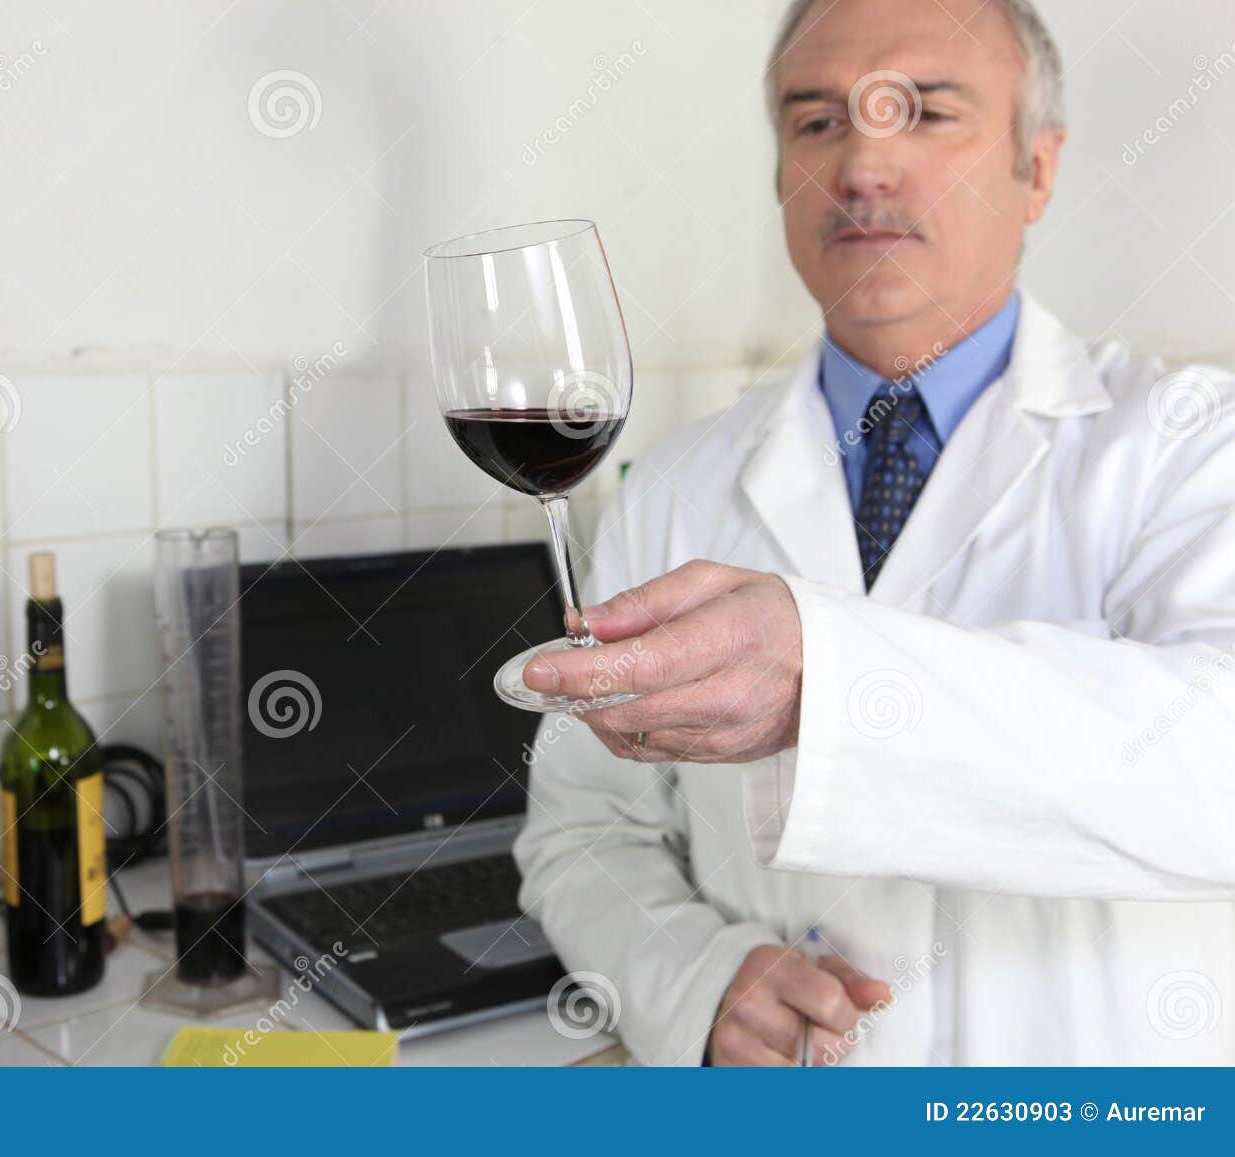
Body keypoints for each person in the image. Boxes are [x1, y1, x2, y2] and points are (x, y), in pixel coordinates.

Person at [514, 0, 1235, 1066]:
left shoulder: (1188, 446)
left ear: (1036, 170)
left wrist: (830, 680)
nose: (861, 169)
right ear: (778, 175)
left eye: (927, 113)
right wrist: (696, 978)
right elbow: (584, 830)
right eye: (816, 123)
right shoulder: (670, 488)